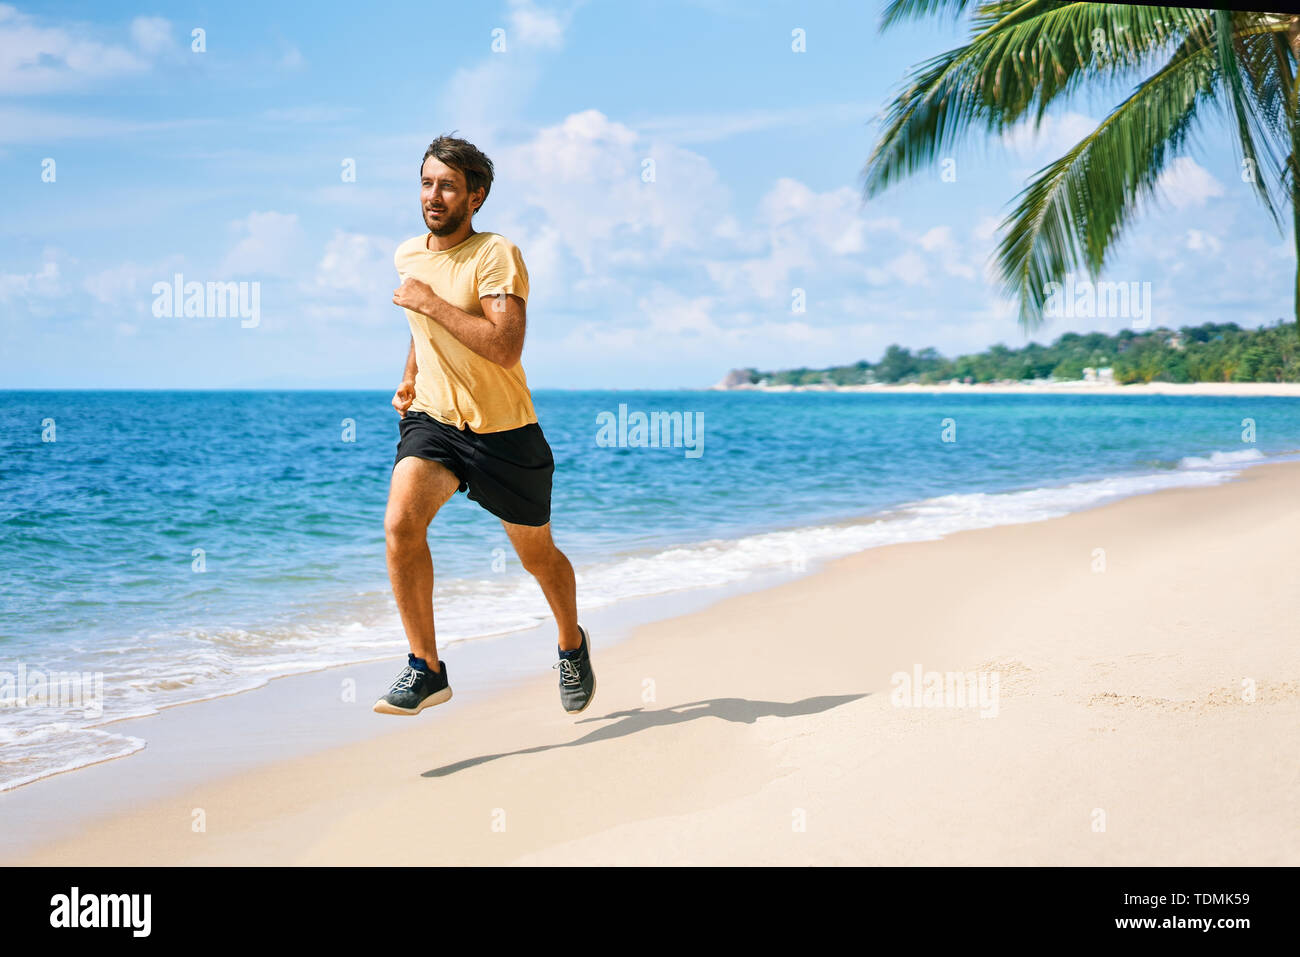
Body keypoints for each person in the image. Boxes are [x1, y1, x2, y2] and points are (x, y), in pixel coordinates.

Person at [374, 133, 594, 717]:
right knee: (400, 524)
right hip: (435, 421)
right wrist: (410, 373)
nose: (434, 195)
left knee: (537, 556)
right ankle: (426, 667)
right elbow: (424, 330)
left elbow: (504, 346)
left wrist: (428, 303)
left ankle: (571, 644)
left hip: (504, 433)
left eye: (448, 185)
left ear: (477, 196)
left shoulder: (496, 254)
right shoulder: (408, 255)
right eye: (426, 183)